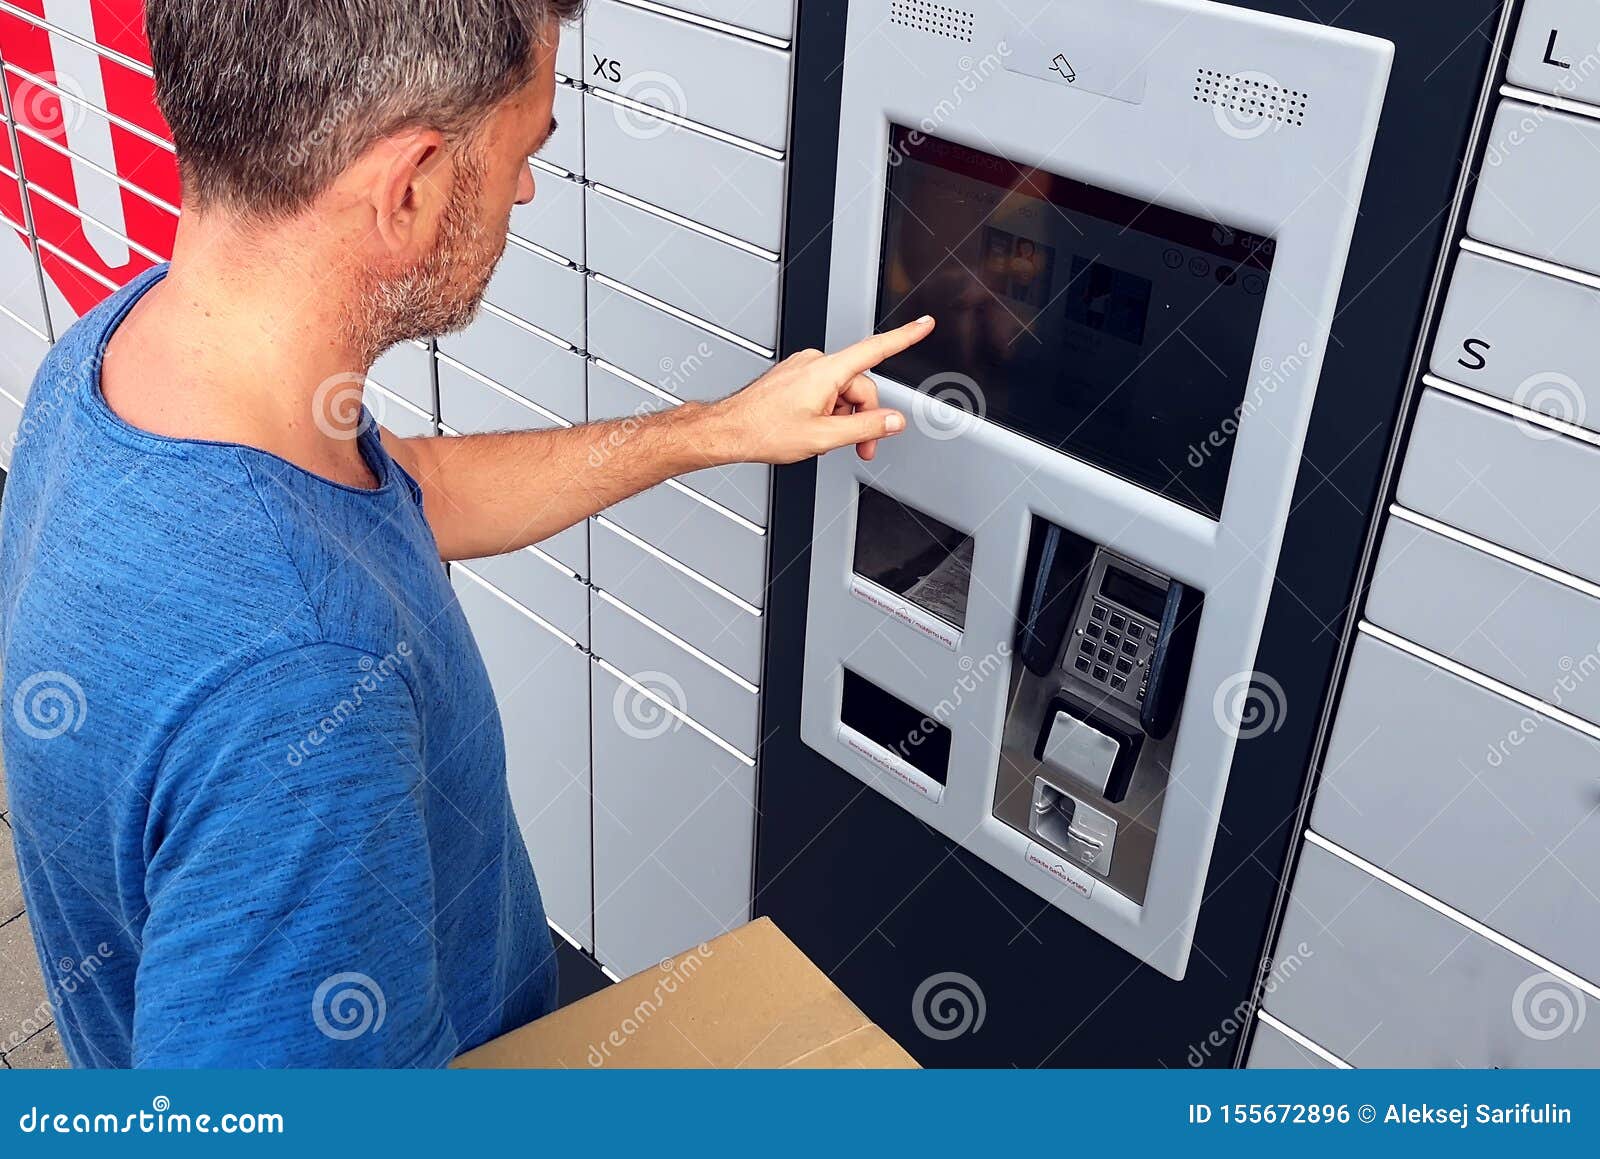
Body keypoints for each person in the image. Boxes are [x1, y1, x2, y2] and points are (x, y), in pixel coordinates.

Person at [0, 0, 931, 1068]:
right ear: (410, 189)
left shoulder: (124, 356)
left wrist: (718, 428)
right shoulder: (300, 688)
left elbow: (406, 498)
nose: (528, 187)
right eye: (523, 146)